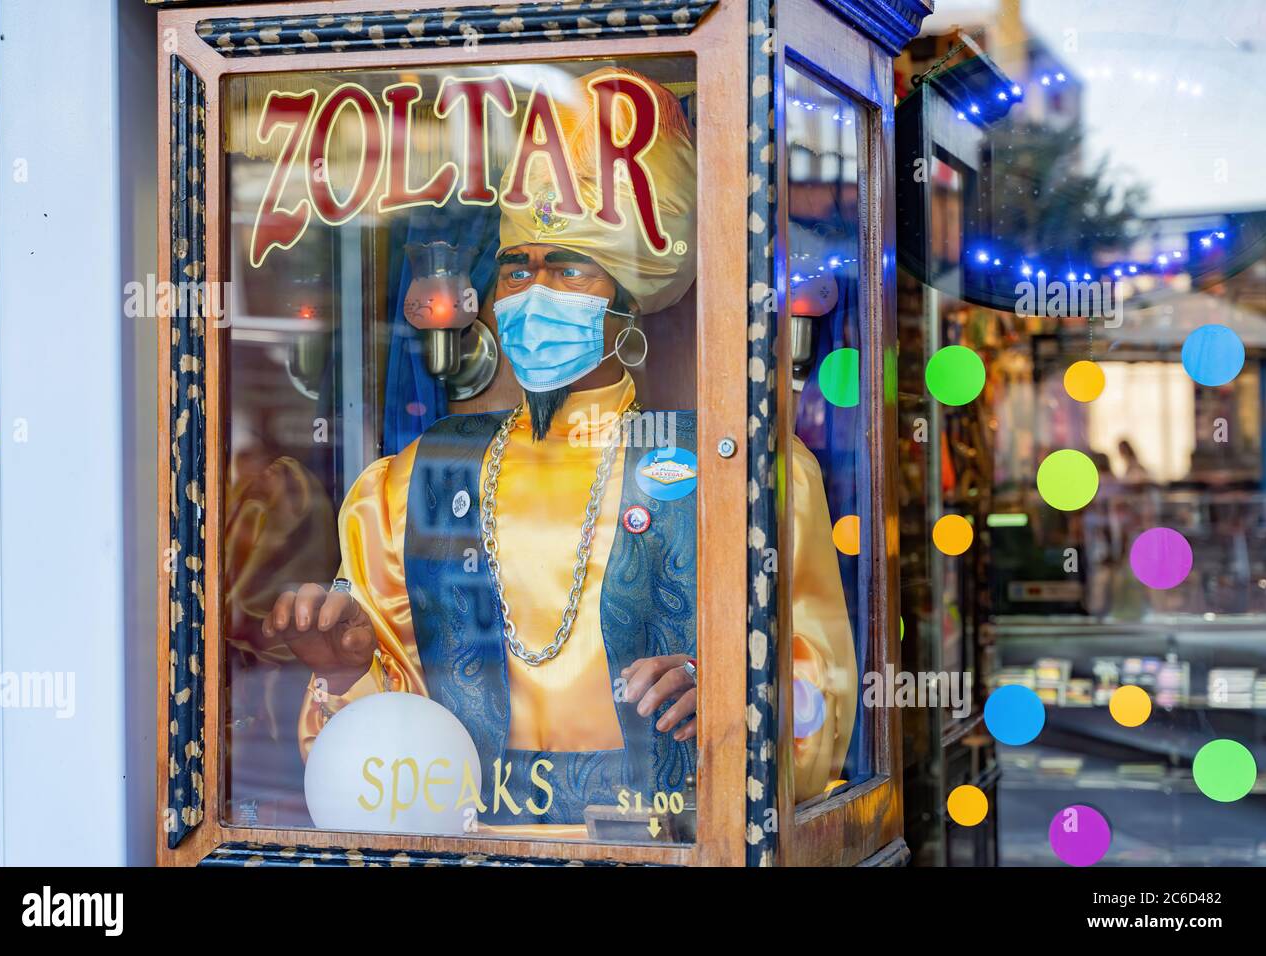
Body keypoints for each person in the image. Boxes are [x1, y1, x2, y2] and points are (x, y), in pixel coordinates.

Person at [258, 67, 857, 835]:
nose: (533, 293)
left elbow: (820, 692)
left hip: (666, 854)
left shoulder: (734, 475)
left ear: (628, 299)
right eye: (517, 266)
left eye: (569, 268)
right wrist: (343, 668)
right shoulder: (415, 482)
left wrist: (737, 700)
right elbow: (385, 734)